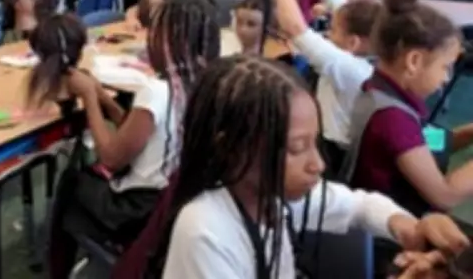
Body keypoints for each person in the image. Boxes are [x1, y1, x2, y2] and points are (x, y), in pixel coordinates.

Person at [146, 55, 467, 279]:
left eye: (315, 143)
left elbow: (360, 206)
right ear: (230, 148)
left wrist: (408, 227)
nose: (319, 164)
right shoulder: (206, 231)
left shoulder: (268, 194)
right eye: (297, 148)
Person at [49, 0, 221, 278]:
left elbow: (111, 158)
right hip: (174, 202)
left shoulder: (157, 91)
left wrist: (89, 97)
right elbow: (140, 132)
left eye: (155, 31)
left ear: (170, 41)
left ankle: (59, 270)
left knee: (72, 181)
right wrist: (104, 99)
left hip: (139, 210)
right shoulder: (208, 86)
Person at [346, 0, 473, 218]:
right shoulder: (393, 119)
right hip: (391, 232)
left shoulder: (380, 90)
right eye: (445, 67)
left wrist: (469, 132)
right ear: (414, 61)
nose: (446, 78)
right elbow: (444, 196)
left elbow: (426, 144)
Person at [268, 0, 381, 173]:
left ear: (353, 42)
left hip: (333, 152)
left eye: (334, 30)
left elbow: (294, 28)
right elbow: (344, 11)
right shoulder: (368, 59)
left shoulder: (347, 67)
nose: (328, 34)